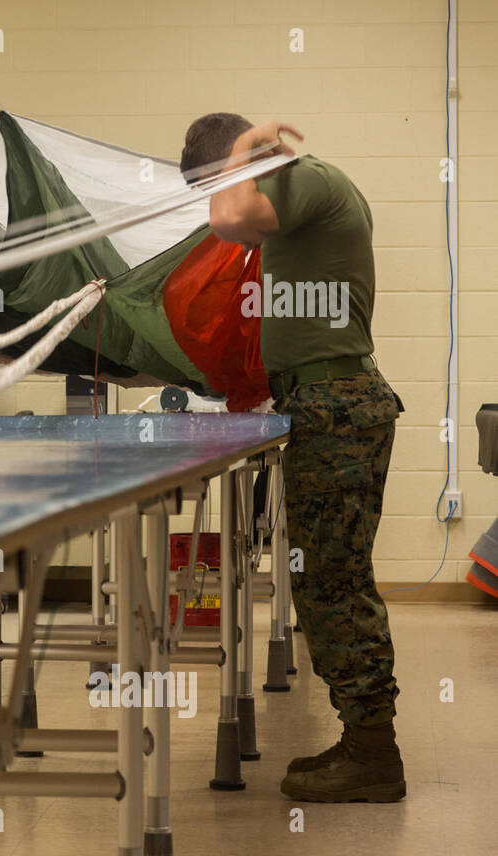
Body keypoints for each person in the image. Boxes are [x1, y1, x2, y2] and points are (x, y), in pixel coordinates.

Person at [180, 113, 405, 802]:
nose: (210, 202)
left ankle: (373, 754)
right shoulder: (285, 199)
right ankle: (364, 740)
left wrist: (246, 153)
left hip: (335, 404)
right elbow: (230, 225)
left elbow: (227, 218)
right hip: (321, 404)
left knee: (332, 583)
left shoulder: (305, 178)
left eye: (211, 182)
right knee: (325, 582)